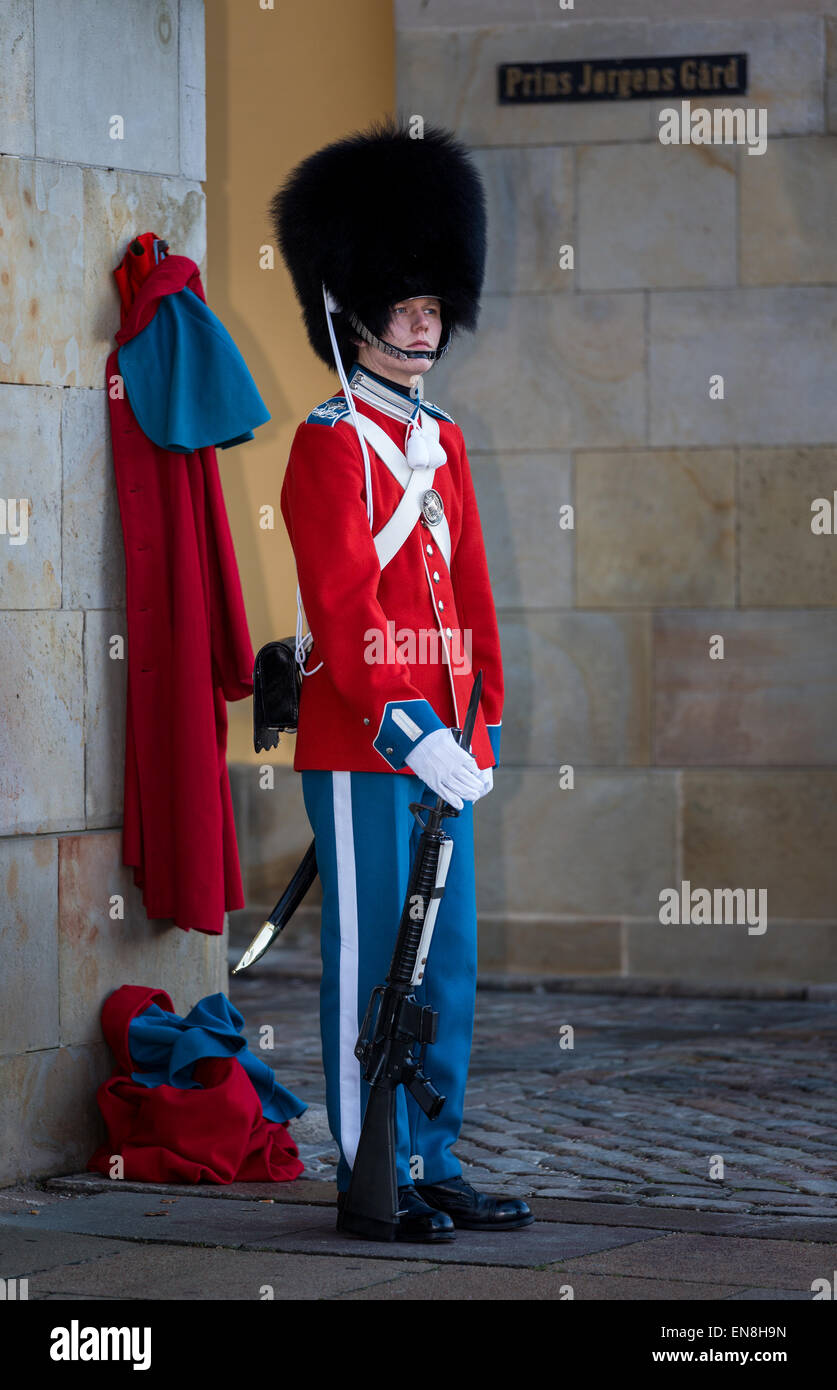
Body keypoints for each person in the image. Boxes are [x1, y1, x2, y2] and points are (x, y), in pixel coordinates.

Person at [271, 119, 533, 1241]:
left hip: (443, 744)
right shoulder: (329, 443)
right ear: (357, 311)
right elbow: (343, 608)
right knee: (372, 959)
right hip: (362, 744)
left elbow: (469, 595)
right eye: (409, 306)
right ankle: (365, 1168)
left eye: (435, 306)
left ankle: (433, 1152)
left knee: (450, 959)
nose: (428, 324)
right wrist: (408, 723)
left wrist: (481, 723)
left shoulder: (444, 441)